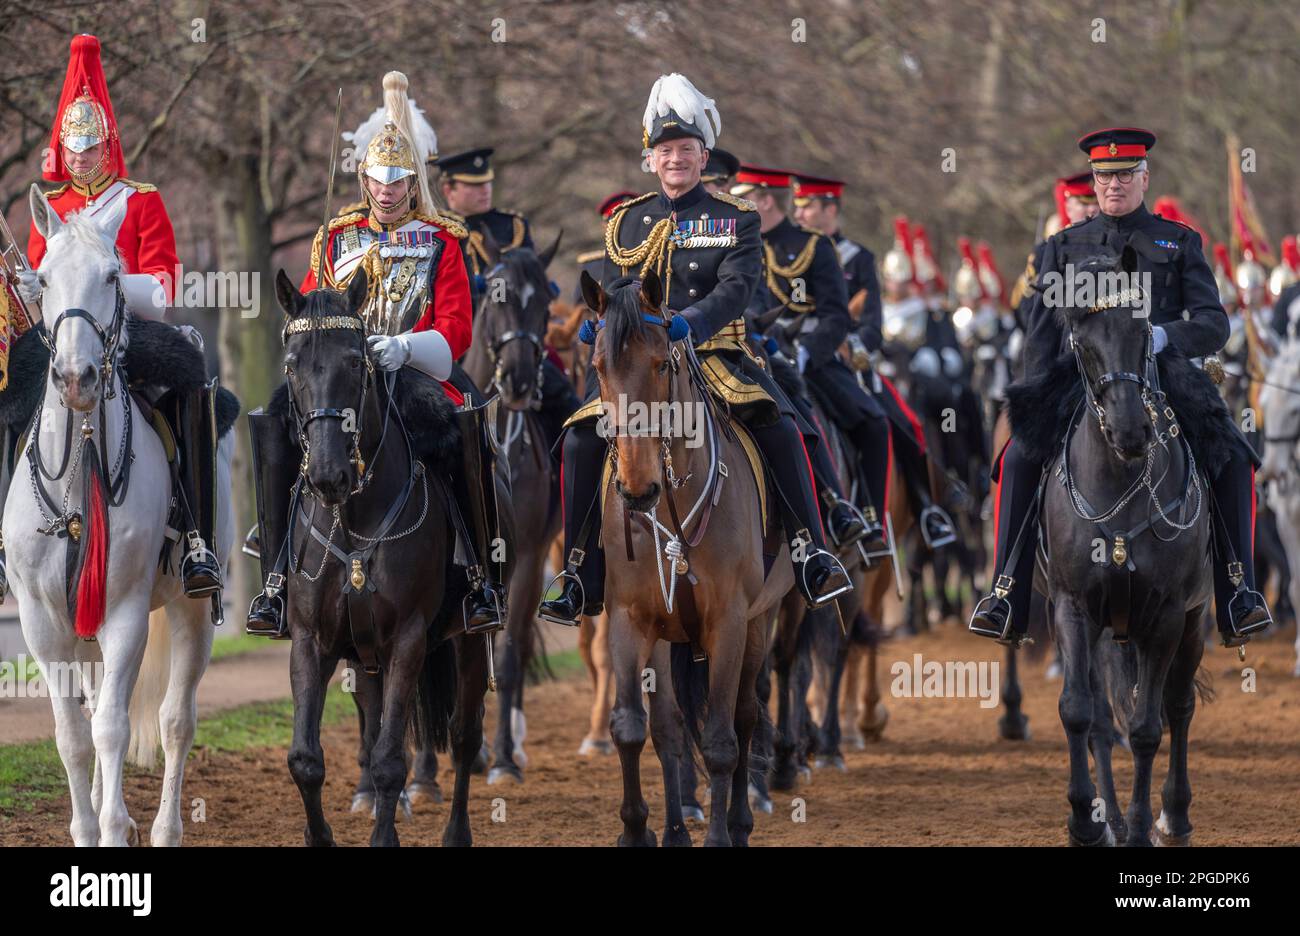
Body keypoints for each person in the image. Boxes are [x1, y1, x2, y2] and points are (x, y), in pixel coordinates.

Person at [537, 73, 852, 625]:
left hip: (717, 354)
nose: (675, 158)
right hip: (639, 362)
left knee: (783, 425)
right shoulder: (627, 221)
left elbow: (738, 288)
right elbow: (614, 289)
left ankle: (813, 551)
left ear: (703, 157)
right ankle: (579, 571)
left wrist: (691, 322)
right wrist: (600, 324)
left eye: (686, 149)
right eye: (665, 150)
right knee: (581, 438)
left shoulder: (736, 218)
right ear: (651, 160)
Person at [969, 127, 1272, 648]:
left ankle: (1238, 592)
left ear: (1144, 178)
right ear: (1093, 179)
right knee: (1017, 458)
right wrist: (1036, 398)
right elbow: (1040, 338)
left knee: (1234, 455)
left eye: (1125, 174)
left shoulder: (1177, 242)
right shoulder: (1062, 248)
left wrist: (1163, 335)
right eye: (1105, 175)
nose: (1114, 184)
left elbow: (1213, 324)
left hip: (1164, 374)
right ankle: (1006, 593)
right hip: (1078, 378)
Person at [246, 71, 505, 638]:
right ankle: (272, 576)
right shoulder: (335, 236)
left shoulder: (443, 240)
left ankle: (481, 572)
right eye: (378, 180)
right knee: (271, 420)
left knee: (463, 427)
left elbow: (457, 328)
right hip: (341, 376)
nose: (387, 191)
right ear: (363, 178)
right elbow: (309, 307)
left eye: (398, 182)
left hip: (412, 373)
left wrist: (405, 347)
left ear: (413, 183)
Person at [12, 34, 221, 599]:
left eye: (91, 147)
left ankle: (197, 537)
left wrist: (103, 282)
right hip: (63, 337)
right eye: (72, 149)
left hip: (129, 333)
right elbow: (37, 275)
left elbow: (166, 280)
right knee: (6, 384)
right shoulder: (50, 205)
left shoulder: (139, 199)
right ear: (64, 149)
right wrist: (34, 285)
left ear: (108, 146)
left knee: (192, 381)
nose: (81, 158)